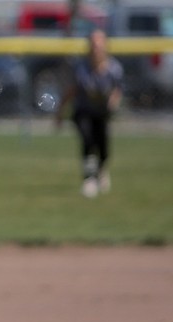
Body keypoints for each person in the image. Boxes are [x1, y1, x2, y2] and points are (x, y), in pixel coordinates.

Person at [56, 28, 123, 198]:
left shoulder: (114, 68)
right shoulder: (81, 68)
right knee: (87, 139)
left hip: (101, 112)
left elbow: (117, 90)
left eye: (99, 44)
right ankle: (89, 178)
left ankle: (101, 170)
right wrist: (60, 111)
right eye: (93, 44)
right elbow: (70, 91)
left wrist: (113, 102)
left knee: (103, 148)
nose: (96, 48)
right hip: (83, 110)